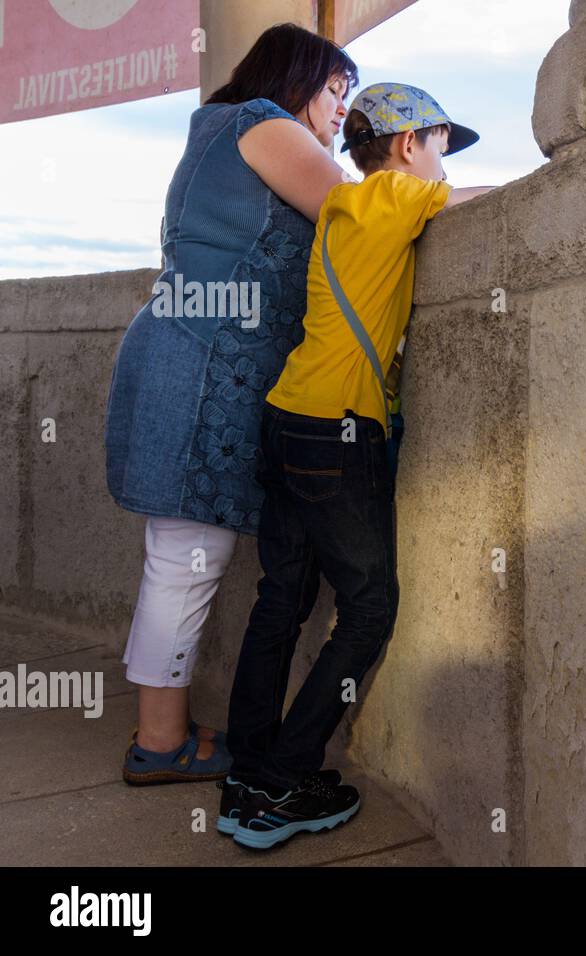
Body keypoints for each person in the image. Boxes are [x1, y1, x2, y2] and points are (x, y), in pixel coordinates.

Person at [221, 82, 494, 849]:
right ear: (410, 147)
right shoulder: (395, 200)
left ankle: (249, 764)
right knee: (369, 606)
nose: (443, 165)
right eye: (440, 146)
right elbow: (480, 195)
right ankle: (282, 779)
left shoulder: (343, 209)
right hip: (338, 430)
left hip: (287, 415)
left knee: (284, 595)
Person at [105, 24, 360, 784]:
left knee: (177, 556)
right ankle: (158, 744)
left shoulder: (219, 130)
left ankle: (164, 725)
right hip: (203, 365)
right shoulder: (262, 123)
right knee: (186, 559)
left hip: (188, 351)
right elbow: (355, 216)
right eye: (333, 89)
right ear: (294, 78)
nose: (341, 108)